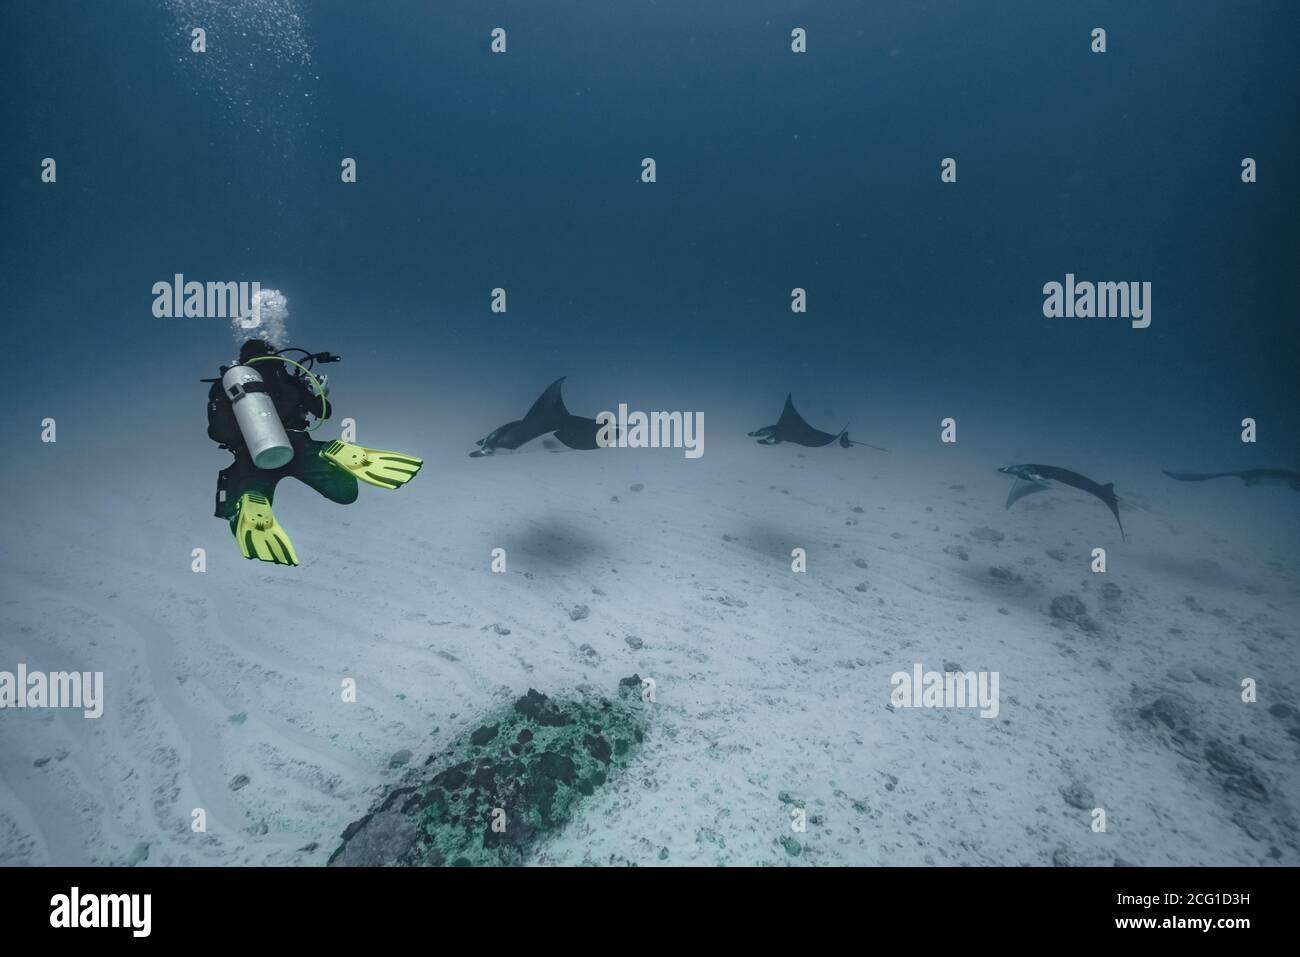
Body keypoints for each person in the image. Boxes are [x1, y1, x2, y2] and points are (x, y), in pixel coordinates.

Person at [207, 339, 423, 565]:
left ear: (241, 360)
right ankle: (328, 450)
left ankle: (252, 496)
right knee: (345, 494)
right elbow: (323, 411)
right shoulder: (286, 375)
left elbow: (218, 432)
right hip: (298, 445)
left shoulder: (224, 386)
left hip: (251, 455)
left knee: (245, 497)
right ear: (274, 353)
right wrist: (318, 391)